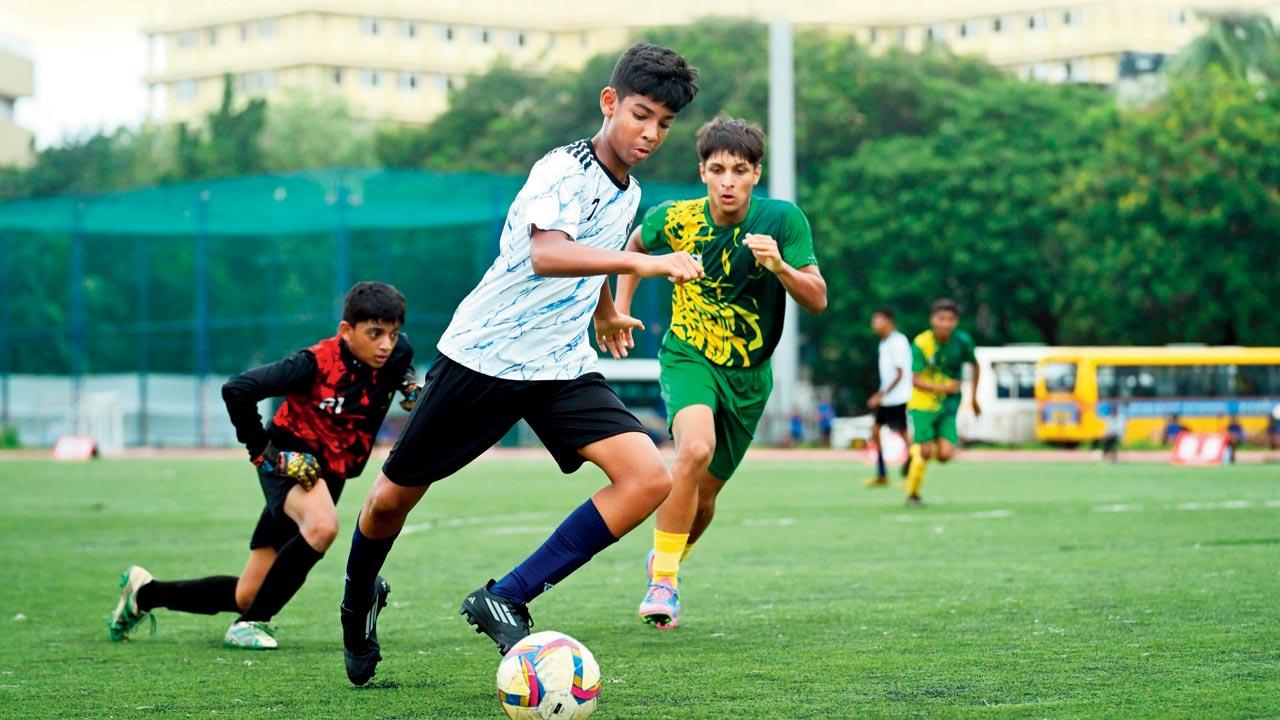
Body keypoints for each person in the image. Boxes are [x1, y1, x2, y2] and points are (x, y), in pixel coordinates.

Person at [337, 43, 701, 685]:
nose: (650, 133)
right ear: (609, 102)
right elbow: (548, 254)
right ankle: (358, 596)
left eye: (664, 124)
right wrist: (642, 263)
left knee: (648, 479)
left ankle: (506, 595)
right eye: (641, 115)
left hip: (559, 366)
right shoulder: (562, 168)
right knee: (391, 502)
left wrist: (605, 313)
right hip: (487, 357)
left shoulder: (630, 191)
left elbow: (585, 261)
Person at [108, 282, 417, 649]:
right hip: (290, 459)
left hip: (331, 472)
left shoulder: (397, 354)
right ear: (346, 331)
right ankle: (251, 624)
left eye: (393, 334)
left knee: (247, 593)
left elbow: (401, 364)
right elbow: (237, 389)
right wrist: (267, 455)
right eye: (375, 334)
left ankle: (144, 593)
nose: (386, 345)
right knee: (322, 527)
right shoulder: (312, 364)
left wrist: (407, 384)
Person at [614, 114, 827, 630]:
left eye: (739, 170)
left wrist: (781, 268)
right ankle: (664, 582)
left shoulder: (783, 221)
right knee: (693, 450)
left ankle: (666, 560)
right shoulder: (676, 218)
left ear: (756, 174)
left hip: (750, 377)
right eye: (717, 170)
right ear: (702, 172)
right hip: (689, 356)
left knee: (704, 499)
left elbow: (818, 298)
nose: (728, 181)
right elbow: (635, 246)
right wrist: (620, 307)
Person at [903, 299, 979, 507]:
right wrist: (942, 388)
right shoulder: (922, 343)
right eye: (941, 318)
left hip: (949, 404)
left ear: (956, 322)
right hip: (923, 404)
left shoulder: (963, 341)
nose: (945, 323)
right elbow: (916, 379)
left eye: (950, 319)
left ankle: (916, 451)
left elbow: (975, 365)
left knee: (945, 455)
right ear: (932, 320)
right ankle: (913, 494)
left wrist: (974, 398)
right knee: (926, 452)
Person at [865, 308, 912, 488]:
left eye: (878, 320)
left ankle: (911, 472)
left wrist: (880, 394)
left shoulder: (898, 342)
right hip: (888, 398)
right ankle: (882, 473)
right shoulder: (884, 343)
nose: (874, 324)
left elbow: (900, 373)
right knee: (875, 431)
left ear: (889, 321)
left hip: (899, 397)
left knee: (904, 434)